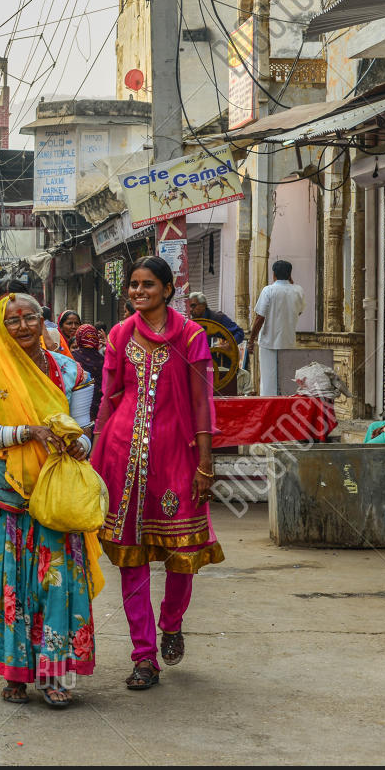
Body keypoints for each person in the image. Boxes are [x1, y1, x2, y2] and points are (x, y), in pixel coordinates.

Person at [91, 256, 223, 691]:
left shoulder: (191, 336)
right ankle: (143, 656)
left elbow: (203, 402)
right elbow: (109, 399)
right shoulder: (119, 334)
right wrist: (94, 459)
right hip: (122, 457)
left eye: (148, 284)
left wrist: (205, 463)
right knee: (132, 560)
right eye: (133, 284)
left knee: (181, 556)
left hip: (177, 458)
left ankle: (171, 621)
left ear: (168, 289)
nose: (138, 291)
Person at [0, 293, 100, 708]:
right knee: (11, 590)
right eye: (14, 320)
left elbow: (83, 429)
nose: (23, 326)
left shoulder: (71, 371)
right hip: (4, 500)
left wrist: (82, 447)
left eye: (31, 318)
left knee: (56, 588)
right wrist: (27, 432)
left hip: (56, 500)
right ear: (2, 326)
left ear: (44, 323)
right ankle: (16, 674)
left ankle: (56, 674)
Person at [250, 260, 305, 396]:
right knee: (287, 379)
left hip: (269, 342)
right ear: (290, 274)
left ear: (273, 274)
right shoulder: (298, 290)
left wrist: (251, 339)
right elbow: (298, 311)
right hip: (288, 341)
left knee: (268, 381)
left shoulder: (268, 290)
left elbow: (259, 318)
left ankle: (270, 410)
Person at [72, 324, 106, 423]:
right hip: (100, 407)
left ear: (78, 338)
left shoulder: (71, 357)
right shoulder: (104, 359)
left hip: (78, 407)